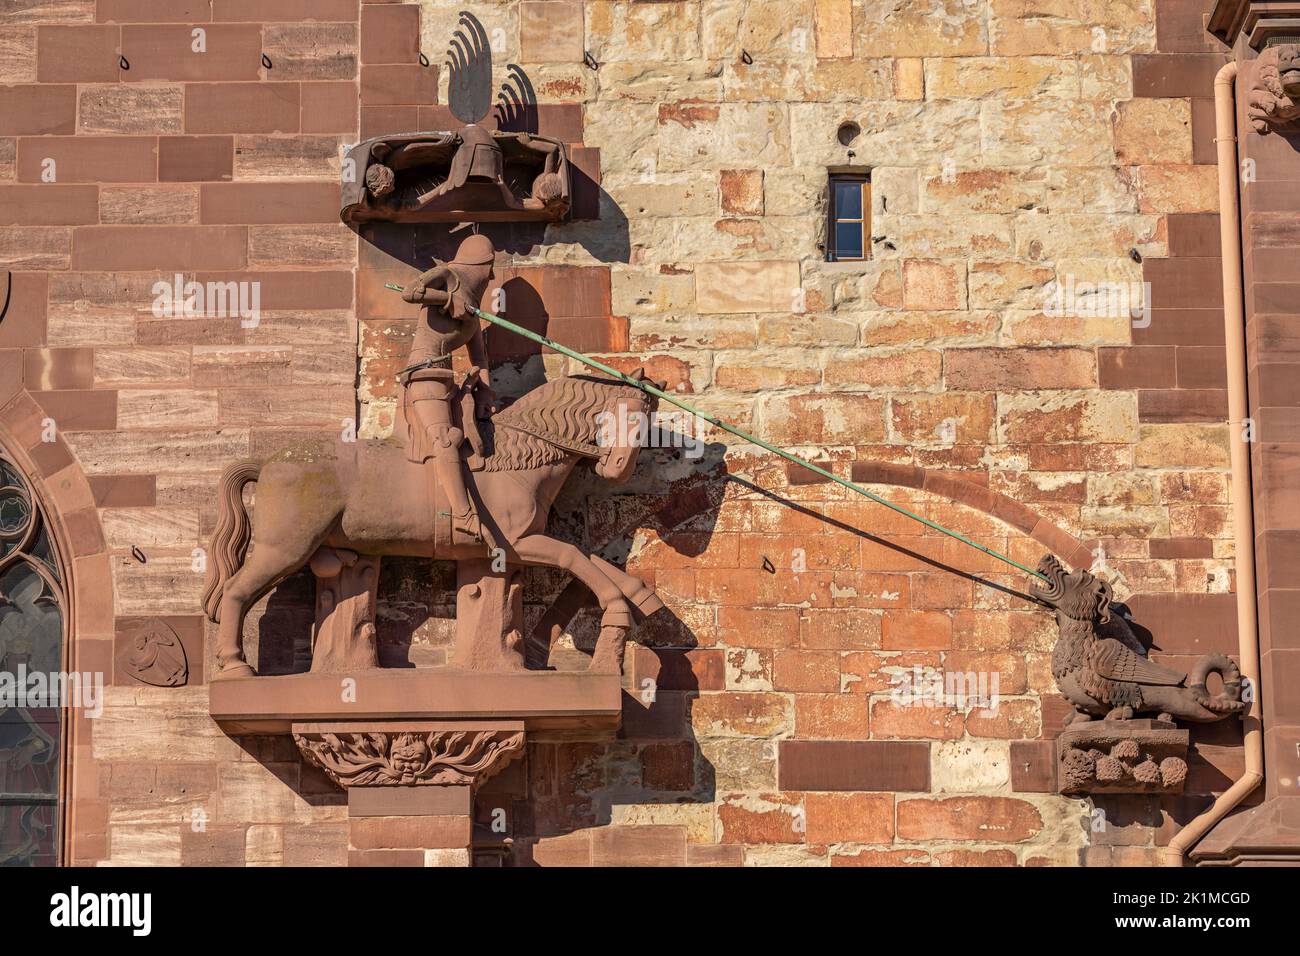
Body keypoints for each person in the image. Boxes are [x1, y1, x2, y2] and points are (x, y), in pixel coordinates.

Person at [400, 233, 498, 544]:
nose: (491, 277)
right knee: (446, 439)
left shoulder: (474, 315)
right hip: (423, 374)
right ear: (481, 264)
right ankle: (463, 516)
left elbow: (480, 359)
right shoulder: (449, 276)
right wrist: (446, 298)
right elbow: (410, 292)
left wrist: (485, 394)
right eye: (490, 268)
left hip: (446, 378)